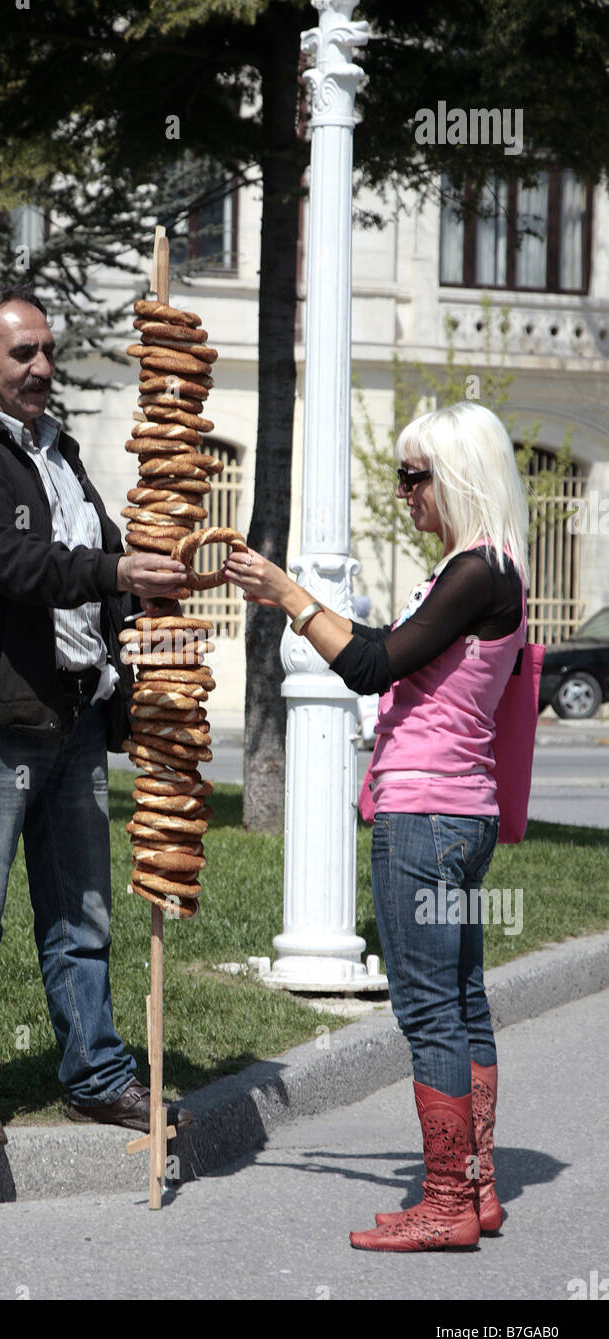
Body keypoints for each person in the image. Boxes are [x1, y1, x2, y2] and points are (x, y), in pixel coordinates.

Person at [224, 401, 530, 1251]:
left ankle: (443, 1207)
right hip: (458, 815)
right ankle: (474, 1191)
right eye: (398, 476)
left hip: (425, 816)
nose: (403, 493)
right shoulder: (490, 570)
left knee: (431, 1011)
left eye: (413, 477)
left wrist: (285, 592)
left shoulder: (476, 571)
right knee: (462, 1004)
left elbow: (367, 664)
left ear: (457, 477)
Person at [0, 282, 191, 1146]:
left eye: (45, 350)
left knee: (82, 916)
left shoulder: (61, 453)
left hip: (72, 717)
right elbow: (17, 565)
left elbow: (103, 566)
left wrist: (138, 644)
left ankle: (97, 1076)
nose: (40, 366)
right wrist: (115, 573)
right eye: (19, 353)